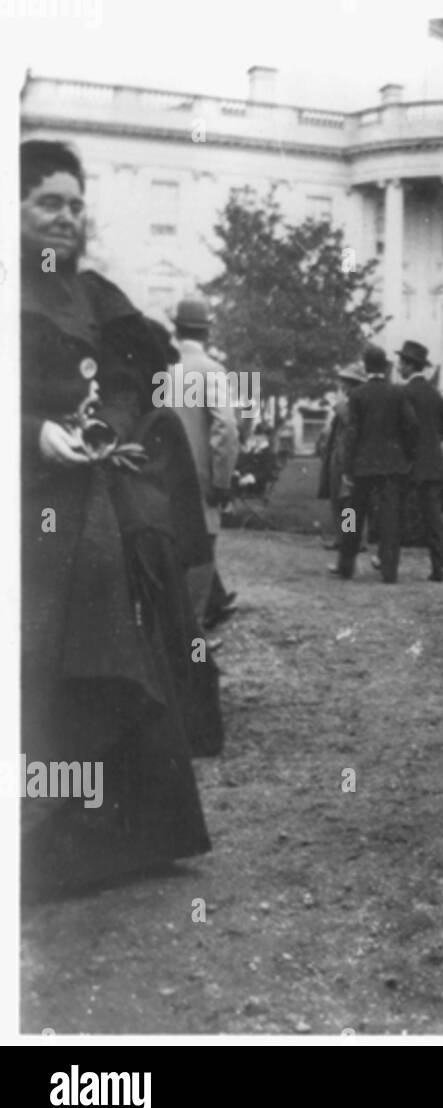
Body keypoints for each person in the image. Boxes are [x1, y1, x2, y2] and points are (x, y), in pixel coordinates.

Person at [20, 139, 217, 895]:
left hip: (97, 503)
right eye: (49, 203)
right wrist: (37, 432)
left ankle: (119, 839)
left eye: (76, 204)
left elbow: (142, 374)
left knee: (116, 648)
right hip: (27, 502)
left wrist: (118, 427)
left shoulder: (96, 293)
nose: (68, 218)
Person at [165, 294, 240, 629]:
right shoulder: (212, 371)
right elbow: (225, 427)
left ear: (177, 330)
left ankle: (169, 634)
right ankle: (193, 639)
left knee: (169, 549)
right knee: (202, 550)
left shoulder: (161, 369)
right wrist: (222, 480)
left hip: (162, 474)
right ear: (207, 333)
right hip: (200, 476)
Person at [335, 344, 418, 583]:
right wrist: (407, 455)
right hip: (392, 466)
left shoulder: (358, 395)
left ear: (366, 365)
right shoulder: (398, 393)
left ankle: (346, 564)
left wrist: (347, 467)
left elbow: (352, 433)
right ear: (384, 366)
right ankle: (390, 570)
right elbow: (412, 426)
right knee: (390, 518)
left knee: (352, 514)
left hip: (361, 466)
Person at [397, 339, 443, 582]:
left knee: (395, 512)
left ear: (409, 365)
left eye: (401, 362)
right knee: (433, 519)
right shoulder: (437, 396)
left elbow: (404, 430)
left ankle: (387, 560)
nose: (399, 366)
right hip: (434, 464)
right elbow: (441, 432)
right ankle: (439, 567)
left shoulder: (404, 393)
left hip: (410, 464)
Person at [319, 362, 366, 553]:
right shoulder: (346, 401)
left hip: (348, 456)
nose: (343, 385)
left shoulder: (356, 402)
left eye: (347, 382)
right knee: (337, 499)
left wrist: (339, 406)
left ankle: (352, 540)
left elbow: (350, 423)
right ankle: (343, 537)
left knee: (347, 501)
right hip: (337, 455)